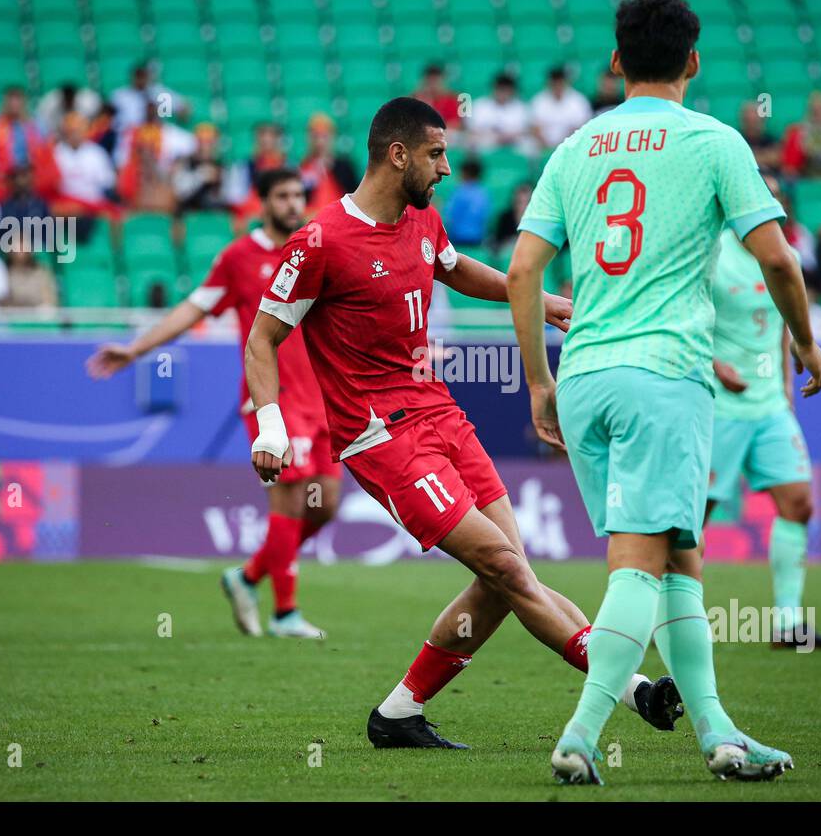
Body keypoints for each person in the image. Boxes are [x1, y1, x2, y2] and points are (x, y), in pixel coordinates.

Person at [247, 97, 682, 748]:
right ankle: (632, 687)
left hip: (441, 413)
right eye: (435, 153)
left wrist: (545, 301)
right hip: (383, 437)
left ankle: (397, 715)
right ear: (398, 154)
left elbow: (453, 269)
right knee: (506, 568)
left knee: (509, 577)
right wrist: (271, 429)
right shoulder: (320, 242)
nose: (447, 167)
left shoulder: (422, 216)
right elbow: (262, 340)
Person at [507, 0, 821, 785]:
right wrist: (804, 340)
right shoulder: (716, 143)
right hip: (665, 377)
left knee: (679, 559)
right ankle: (580, 736)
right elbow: (780, 259)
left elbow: (522, 271)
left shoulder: (573, 148)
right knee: (640, 566)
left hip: (583, 377)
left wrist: (538, 384)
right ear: (692, 61)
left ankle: (718, 733)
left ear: (616, 62)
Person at [89, 169, 336, 637]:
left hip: (322, 399)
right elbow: (194, 306)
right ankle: (285, 614)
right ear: (260, 202)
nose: (292, 203)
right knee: (289, 502)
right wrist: (137, 348)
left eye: (298, 195)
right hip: (273, 401)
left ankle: (246, 577)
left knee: (325, 506)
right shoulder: (239, 258)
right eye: (281, 195)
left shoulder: (314, 250)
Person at [707, 174, 821, 652]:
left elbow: (785, 322)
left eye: (775, 200)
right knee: (688, 520)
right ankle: (669, 619)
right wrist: (713, 364)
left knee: (799, 503)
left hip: (767, 405)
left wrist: (786, 383)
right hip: (718, 405)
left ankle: (787, 623)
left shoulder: (782, 253)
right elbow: (680, 316)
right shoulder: (712, 252)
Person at [528, 67, 592, 149]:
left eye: (560, 81)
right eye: (555, 81)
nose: (557, 85)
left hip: (571, 145)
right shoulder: (538, 101)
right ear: (549, 82)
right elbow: (534, 128)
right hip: (543, 146)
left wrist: (564, 144)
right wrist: (546, 145)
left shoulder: (578, 101)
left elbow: (582, 127)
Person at [467, 73, 530, 152]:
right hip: (487, 142)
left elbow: (525, 131)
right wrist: (494, 136)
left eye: (506, 89)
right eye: (500, 89)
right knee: (472, 142)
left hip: (514, 143)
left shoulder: (520, 107)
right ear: (494, 88)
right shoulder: (480, 105)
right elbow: (472, 130)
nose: (503, 93)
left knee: (529, 145)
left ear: (512, 91)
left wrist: (506, 136)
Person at [444, 157, 490, 246]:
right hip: (478, 240)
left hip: (457, 240)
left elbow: (449, 216)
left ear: (465, 173)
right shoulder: (484, 193)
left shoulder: (458, 192)